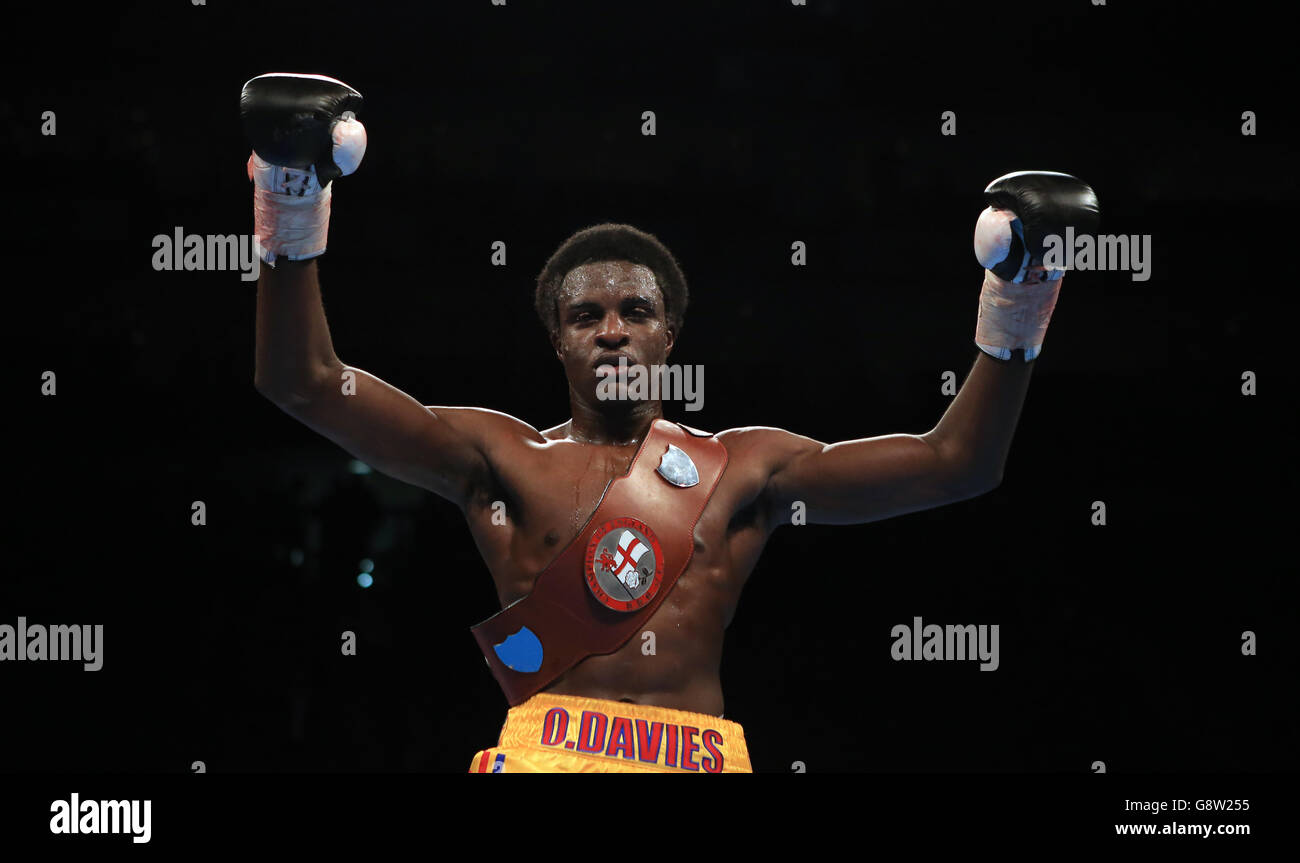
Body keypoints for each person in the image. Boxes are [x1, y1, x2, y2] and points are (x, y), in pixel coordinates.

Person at [244, 73, 1099, 773]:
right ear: (558, 339)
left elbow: (956, 463)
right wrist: (292, 194)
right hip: (552, 754)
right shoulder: (497, 457)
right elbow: (306, 383)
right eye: (587, 317)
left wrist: (1021, 297)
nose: (612, 328)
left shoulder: (746, 470)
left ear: (669, 332)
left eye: (634, 310)